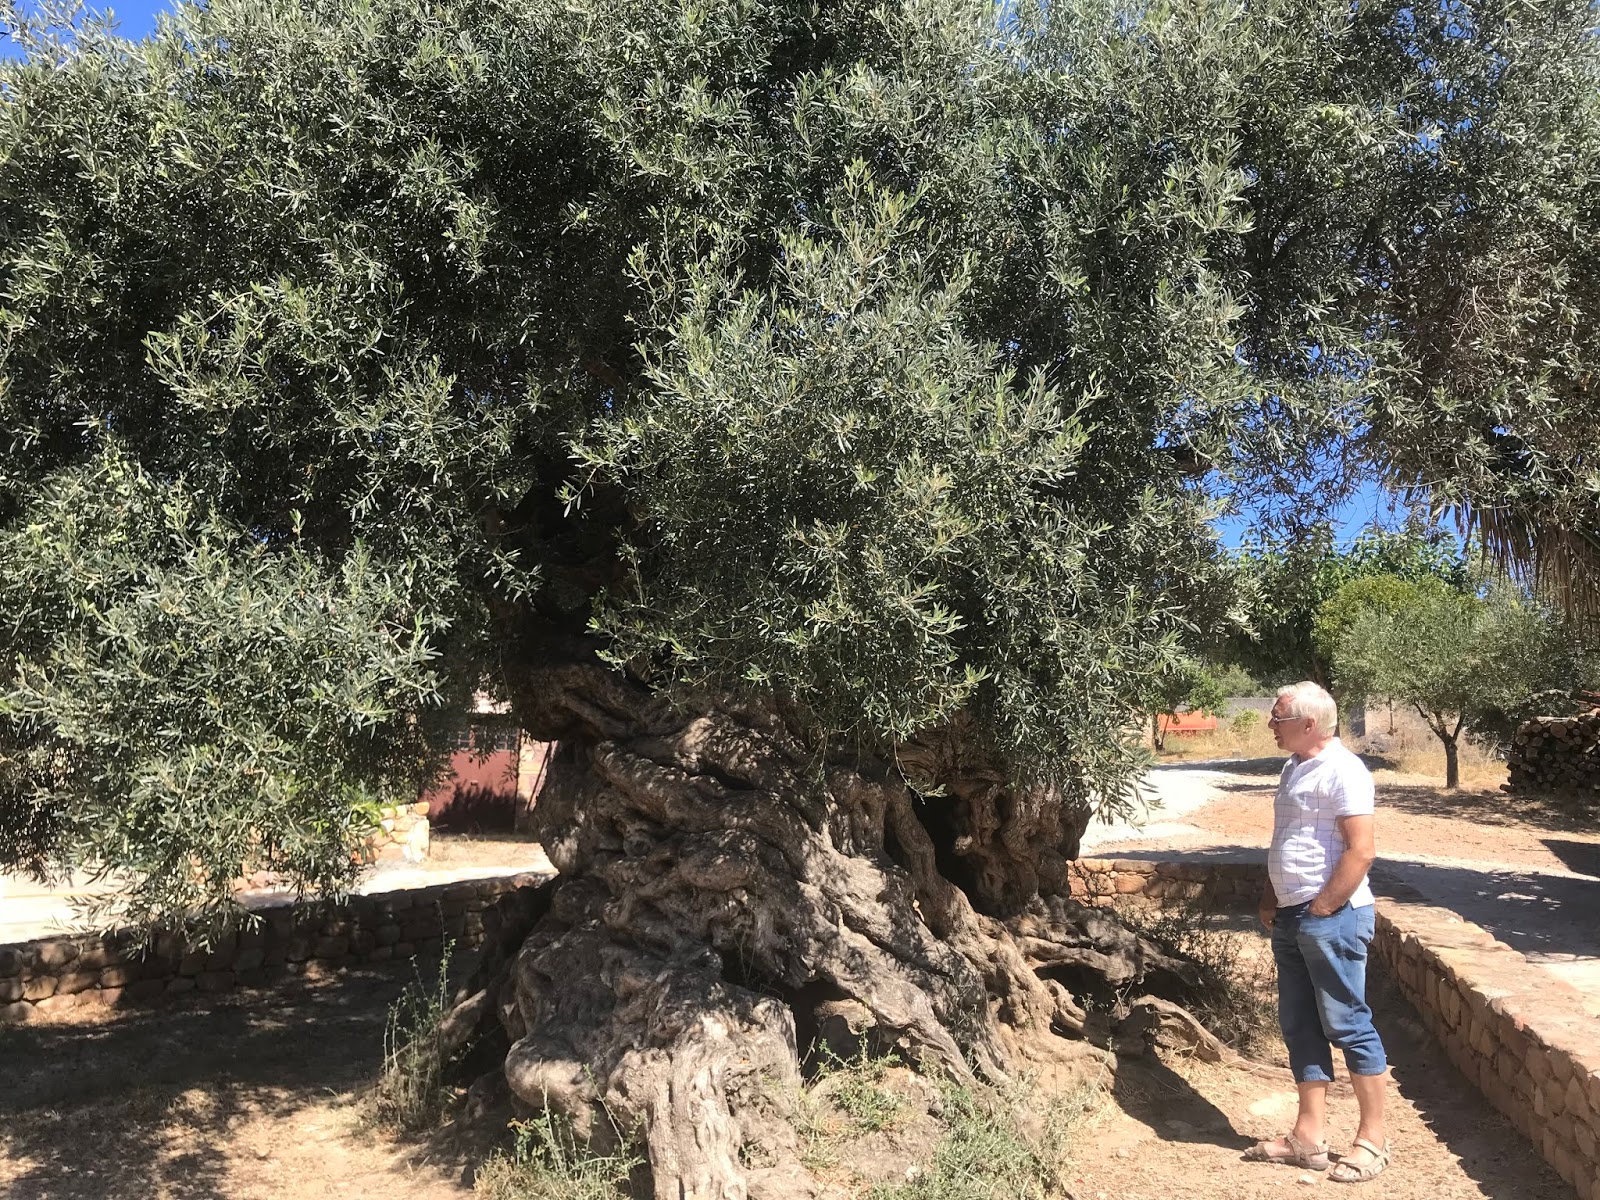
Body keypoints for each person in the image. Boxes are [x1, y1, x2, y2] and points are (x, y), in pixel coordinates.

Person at [1244, 681, 1391, 1184]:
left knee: (1349, 1024)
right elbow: (1286, 838)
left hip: (1331, 916)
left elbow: (1362, 850)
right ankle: (1308, 1138)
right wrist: (1272, 896)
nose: (1270, 724)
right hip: (1291, 914)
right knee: (1300, 1024)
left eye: (1278, 717)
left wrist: (1323, 908)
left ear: (1309, 724)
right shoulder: (1294, 767)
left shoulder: (1345, 770)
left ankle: (1372, 1141)